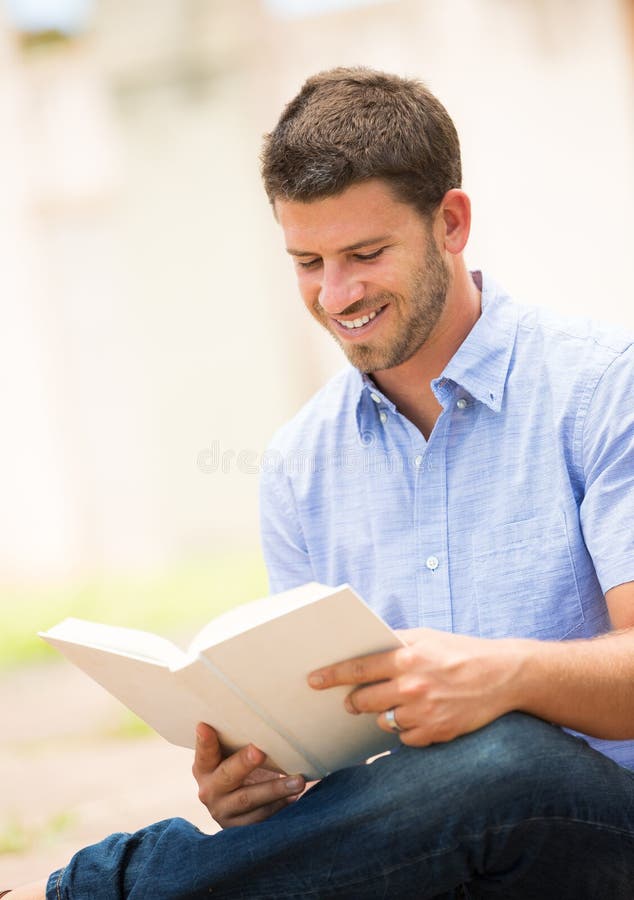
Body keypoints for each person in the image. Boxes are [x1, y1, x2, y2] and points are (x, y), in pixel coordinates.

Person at [9, 66, 634, 899]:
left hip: (598, 832)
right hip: (444, 859)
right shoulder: (302, 464)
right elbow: (340, 760)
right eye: (307, 262)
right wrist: (267, 790)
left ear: (451, 222)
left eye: (365, 254)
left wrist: (506, 677)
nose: (336, 295)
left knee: (507, 758)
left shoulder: (602, 388)